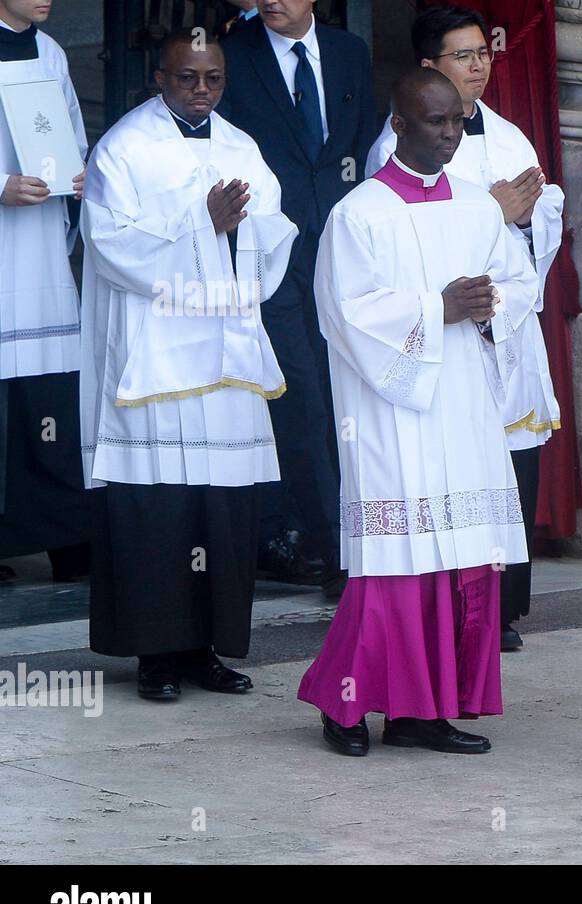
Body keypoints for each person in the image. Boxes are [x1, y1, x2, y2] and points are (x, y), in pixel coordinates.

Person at [298, 68, 535, 757]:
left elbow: (518, 284)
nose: (450, 134)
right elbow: (346, 317)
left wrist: (492, 309)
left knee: (460, 561)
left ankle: (420, 712)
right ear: (398, 126)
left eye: (458, 120)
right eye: (435, 122)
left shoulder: (477, 207)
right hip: (390, 413)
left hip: (462, 405)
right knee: (396, 571)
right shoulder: (358, 214)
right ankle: (341, 703)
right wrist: (439, 308)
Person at [79, 33, 297, 700]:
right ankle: (157, 655)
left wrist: (237, 229)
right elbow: (111, 245)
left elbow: (276, 228)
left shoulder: (240, 147)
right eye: (187, 78)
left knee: (219, 508)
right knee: (160, 507)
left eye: (212, 78)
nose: (201, 90)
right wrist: (201, 226)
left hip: (224, 350)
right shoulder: (124, 147)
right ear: (158, 77)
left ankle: (208, 648)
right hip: (156, 352)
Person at [366, 3, 563, 652]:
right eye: (463, 55)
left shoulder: (509, 138)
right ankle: (449, 600)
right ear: (429, 66)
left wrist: (528, 219)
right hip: (446, 335)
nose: (479, 65)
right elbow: (398, 246)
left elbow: (544, 226)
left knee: (511, 462)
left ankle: (501, 608)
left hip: (509, 326)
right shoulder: (394, 149)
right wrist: (492, 212)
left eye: (484, 52)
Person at [218, 0, 377, 596]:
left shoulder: (349, 53)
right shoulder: (232, 57)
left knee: (347, 388)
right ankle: (334, 550)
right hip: (271, 249)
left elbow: (360, 147)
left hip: (342, 249)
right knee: (304, 396)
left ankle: (360, 532)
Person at [0, 0, 90, 582]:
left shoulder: (50, 51)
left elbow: (72, 133)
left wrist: (77, 175)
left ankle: (61, 531)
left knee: (47, 394)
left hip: (40, 248)